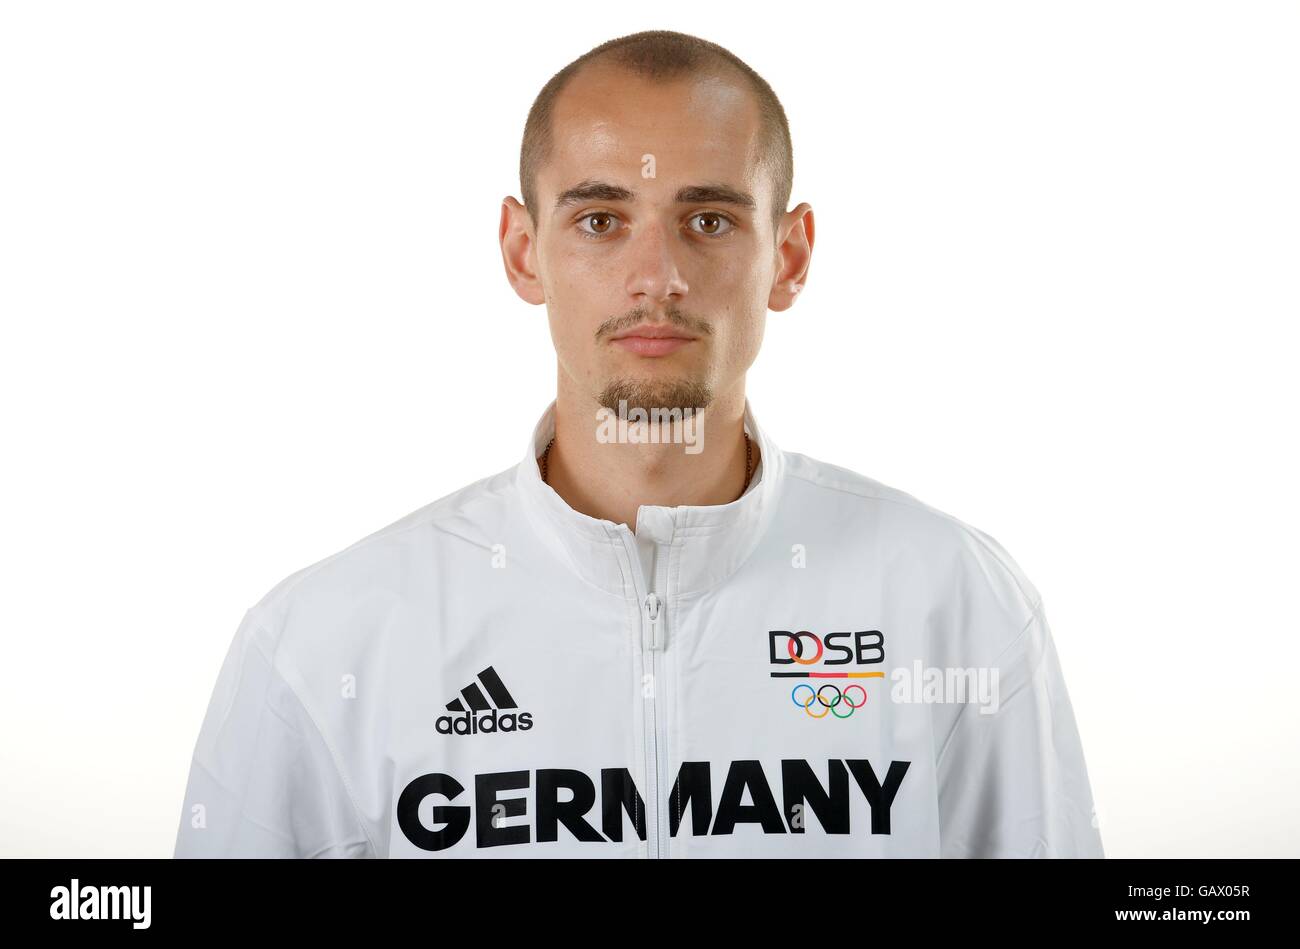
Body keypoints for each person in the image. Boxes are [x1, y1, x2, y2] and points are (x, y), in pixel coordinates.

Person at [174, 29, 1104, 858]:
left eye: (709, 220)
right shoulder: (324, 639)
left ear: (789, 254)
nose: (655, 277)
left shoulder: (953, 601)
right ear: (521, 250)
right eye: (600, 220)